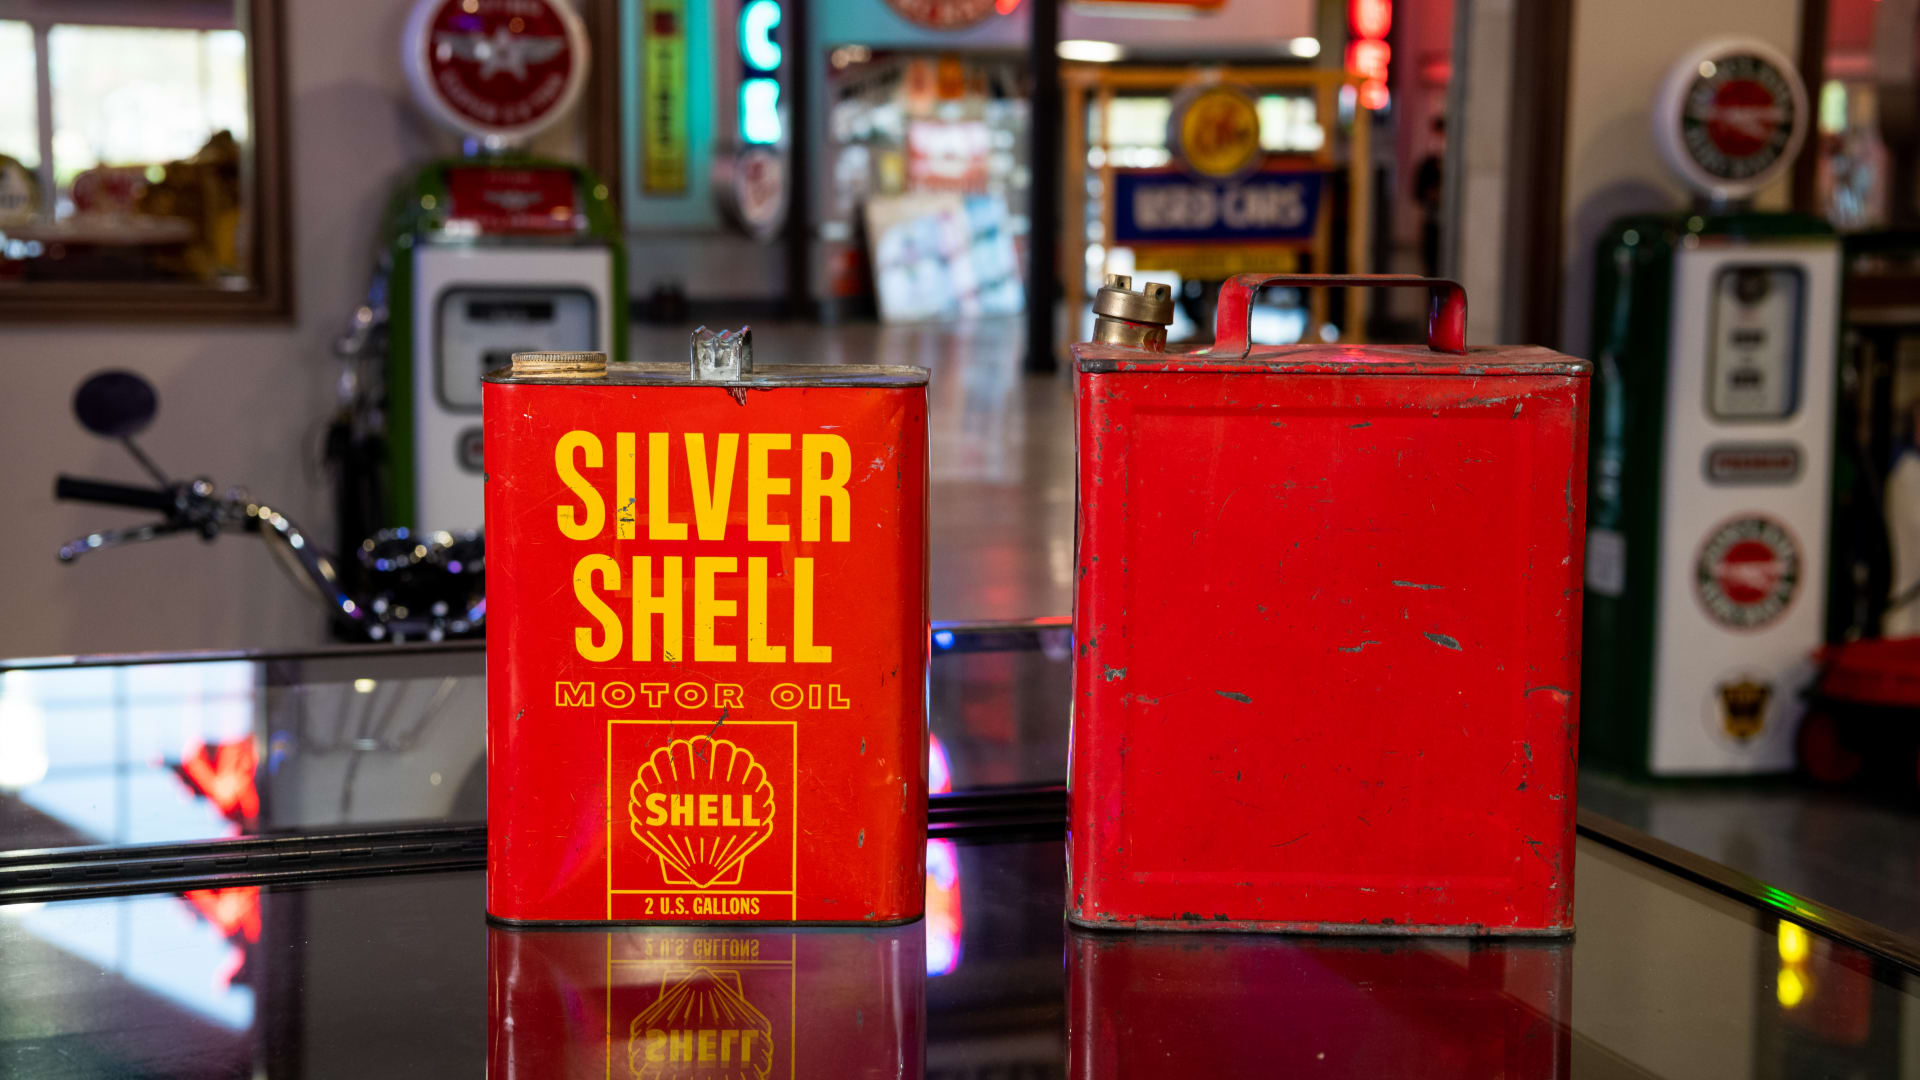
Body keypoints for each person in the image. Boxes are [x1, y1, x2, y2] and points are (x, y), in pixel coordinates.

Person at [1414, 114, 1446, 278]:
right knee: (1431, 268)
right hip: (1432, 222)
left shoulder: (1451, 167)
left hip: (1446, 224)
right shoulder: (1428, 164)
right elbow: (1417, 193)